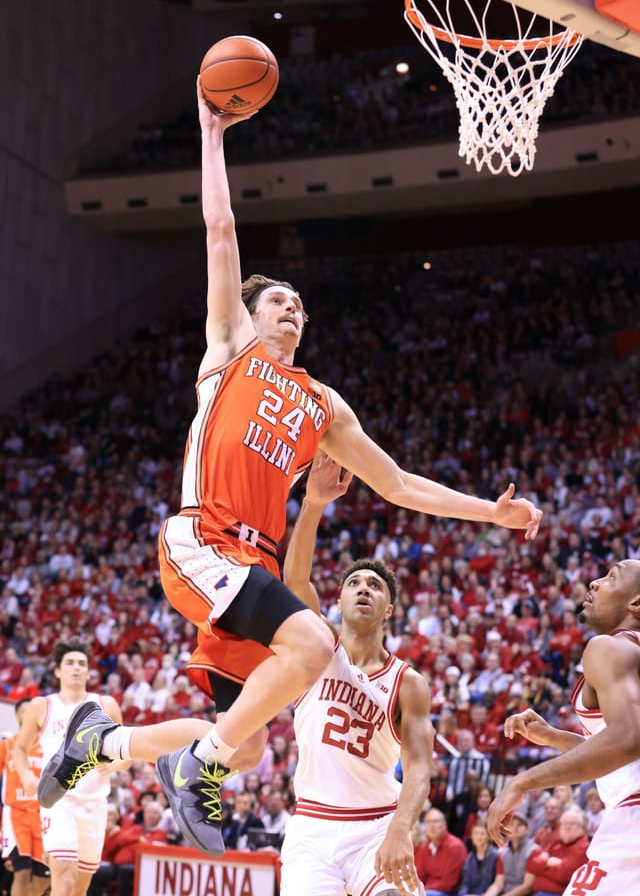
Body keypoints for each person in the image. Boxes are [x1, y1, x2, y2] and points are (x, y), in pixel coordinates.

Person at [39, 80, 542, 860]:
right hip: (204, 541)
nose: (293, 309)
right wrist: (212, 132)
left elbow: (399, 484)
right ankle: (189, 766)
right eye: (281, 300)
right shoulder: (231, 347)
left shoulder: (322, 403)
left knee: (245, 748)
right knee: (310, 644)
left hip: (252, 565)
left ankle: (101, 740)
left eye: (301, 304)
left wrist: (491, 512)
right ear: (253, 311)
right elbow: (218, 228)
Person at [279, 453, 434, 895]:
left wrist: (401, 829)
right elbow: (295, 580)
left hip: (375, 826)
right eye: (354, 583)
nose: (363, 588)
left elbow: (420, 767)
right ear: (339, 601)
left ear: (389, 609)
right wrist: (312, 504)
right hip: (312, 828)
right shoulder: (318, 647)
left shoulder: (408, 681)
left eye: (375, 585)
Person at [488, 558, 640, 894]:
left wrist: (525, 781)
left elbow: (628, 738)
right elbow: (624, 756)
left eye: (612, 578)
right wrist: (554, 737)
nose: (595, 583)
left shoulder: (609, 647)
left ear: (637, 603)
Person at [13, 639, 125, 896]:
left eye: (82, 664)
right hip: (59, 802)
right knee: (62, 879)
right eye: (70, 663)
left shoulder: (106, 704)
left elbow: (127, 753)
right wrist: (26, 774)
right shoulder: (42, 705)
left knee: (79, 887)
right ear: (58, 671)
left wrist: (117, 765)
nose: (76, 668)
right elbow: (20, 748)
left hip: (95, 803)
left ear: (88, 671)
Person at [0, 699, 50, 896]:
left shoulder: (48, 746)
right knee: (22, 872)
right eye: (24, 709)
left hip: (41, 815)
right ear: (18, 715)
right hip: (16, 815)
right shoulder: (8, 744)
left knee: (44, 877)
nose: (29, 712)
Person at [525, 809, 588, 896]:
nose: (567, 826)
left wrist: (543, 864)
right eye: (564, 823)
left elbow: (564, 875)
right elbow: (532, 864)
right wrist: (549, 863)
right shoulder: (556, 843)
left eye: (572, 823)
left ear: (582, 827)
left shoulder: (584, 847)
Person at [414, 809, 468, 896]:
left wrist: (424, 891)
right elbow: (419, 876)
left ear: (444, 825)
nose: (431, 825)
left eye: (435, 821)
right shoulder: (424, 847)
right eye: (428, 822)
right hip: (428, 891)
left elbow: (450, 883)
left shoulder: (455, 847)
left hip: (449, 892)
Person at [484, 812, 538, 896]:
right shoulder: (502, 852)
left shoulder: (534, 851)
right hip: (505, 892)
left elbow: (527, 886)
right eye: (511, 825)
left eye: (519, 824)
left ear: (528, 829)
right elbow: (498, 883)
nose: (515, 828)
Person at [458, 819, 499, 896]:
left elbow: (495, 883)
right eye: (475, 833)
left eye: (482, 833)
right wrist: (463, 894)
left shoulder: (495, 855)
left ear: (489, 836)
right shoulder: (470, 857)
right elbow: (465, 883)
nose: (478, 837)